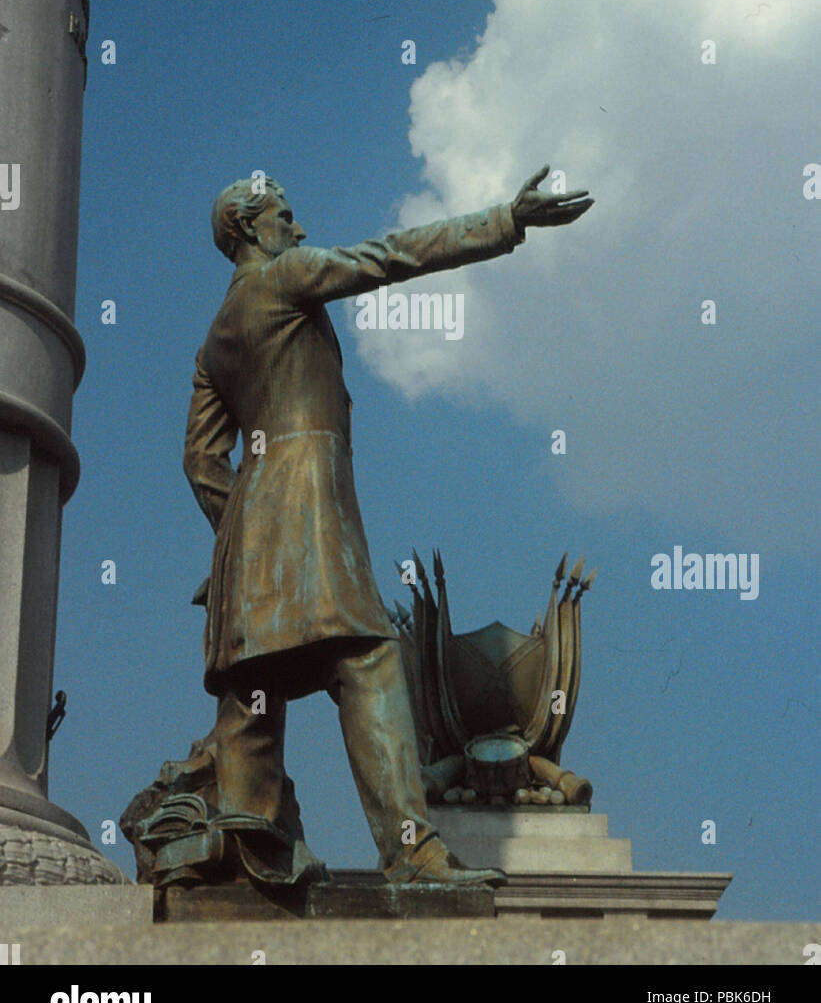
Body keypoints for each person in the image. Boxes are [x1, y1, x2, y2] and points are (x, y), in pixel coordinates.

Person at [183, 166, 593, 885]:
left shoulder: (214, 338)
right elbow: (390, 256)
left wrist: (239, 548)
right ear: (249, 227)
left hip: (247, 534)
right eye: (284, 215)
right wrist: (506, 220)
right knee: (371, 663)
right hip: (309, 508)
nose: (298, 228)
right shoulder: (287, 277)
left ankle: (248, 855)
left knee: (252, 697)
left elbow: (199, 461)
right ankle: (413, 852)